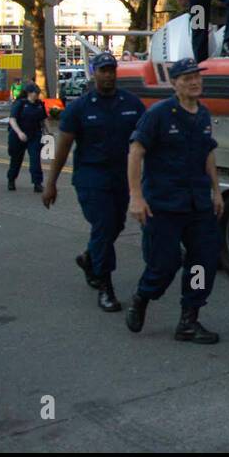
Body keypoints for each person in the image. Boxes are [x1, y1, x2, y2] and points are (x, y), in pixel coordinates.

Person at [124, 57, 224, 344]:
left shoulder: (203, 115)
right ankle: (143, 296)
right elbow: (136, 151)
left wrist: (216, 191)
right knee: (164, 264)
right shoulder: (159, 114)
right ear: (174, 83)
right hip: (164, 204)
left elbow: (208, 153)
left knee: (202, 262)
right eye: (187, 78)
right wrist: (136, 197)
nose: (194, 82)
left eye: (197, 77)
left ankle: (189, 319)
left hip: (198, 205)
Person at [43, 52, 146, 312]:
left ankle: (90, 257)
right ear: (94, 73)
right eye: (103, 70)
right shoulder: (80, 107)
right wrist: (50, 182)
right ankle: (105, 286)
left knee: (115, 226)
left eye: (112, 70)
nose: (108, 75)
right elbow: (64, 146)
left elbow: (146, 142)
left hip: (121, 176)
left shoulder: (131, 104)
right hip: (91, 177)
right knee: (103, 226)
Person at [7, 82, 48, 192]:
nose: (37, 95)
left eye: (38, 93)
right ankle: (11, 179)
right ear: (29, 93)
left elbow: (43, 119)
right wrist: (19, 133)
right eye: (35, 93)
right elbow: (12, 119)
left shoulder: (39, 104)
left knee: (35, 159)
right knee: (16, 159)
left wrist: (47, 132)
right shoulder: (20, 103)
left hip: (34, 134)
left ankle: (37, 183)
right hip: (18, 135)